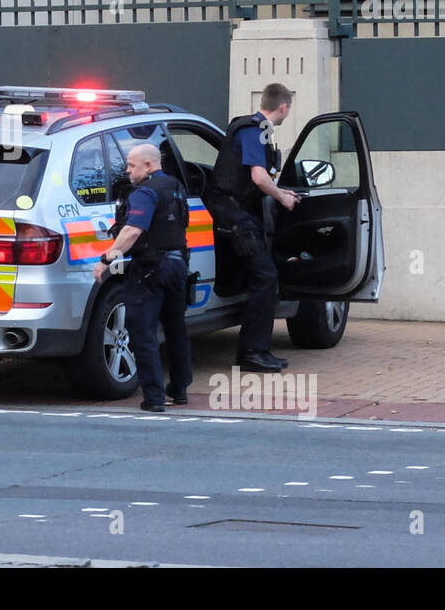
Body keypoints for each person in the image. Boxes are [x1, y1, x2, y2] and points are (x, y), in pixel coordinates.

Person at [203, 82, 301, 373]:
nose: (287, 113)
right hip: (231, 213)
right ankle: (252, 353)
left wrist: (280, 191)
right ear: (283, 107)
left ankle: (257, 350)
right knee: (266, 276)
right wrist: (282, 196)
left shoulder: (250, 129)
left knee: (257, 275)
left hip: (233, 211)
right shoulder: (255, 130)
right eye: (288, 108)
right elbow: (258, 177)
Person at [92, 143, 191, 413]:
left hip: (150, 268)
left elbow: (133, 230)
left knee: (142, 333)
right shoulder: (175, 186)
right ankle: (180, 390)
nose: (127, 170)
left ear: (148, 165)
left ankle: (155, 398)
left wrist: (107, 258)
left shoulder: (144, 192)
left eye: (132, 166)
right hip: (177, 264)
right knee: (175, 329)